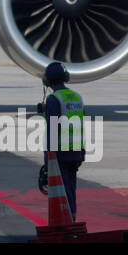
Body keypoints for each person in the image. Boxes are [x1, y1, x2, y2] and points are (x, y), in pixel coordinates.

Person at [39, 61, 85, 217]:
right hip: (77, 151)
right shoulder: (76, 97)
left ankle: (67, 219)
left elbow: (53, 129)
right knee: (71, 186)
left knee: (62, 189)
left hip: (61, 153)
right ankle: (72, 214)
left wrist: (48, 157)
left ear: (47, 80)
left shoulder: (54, 99)